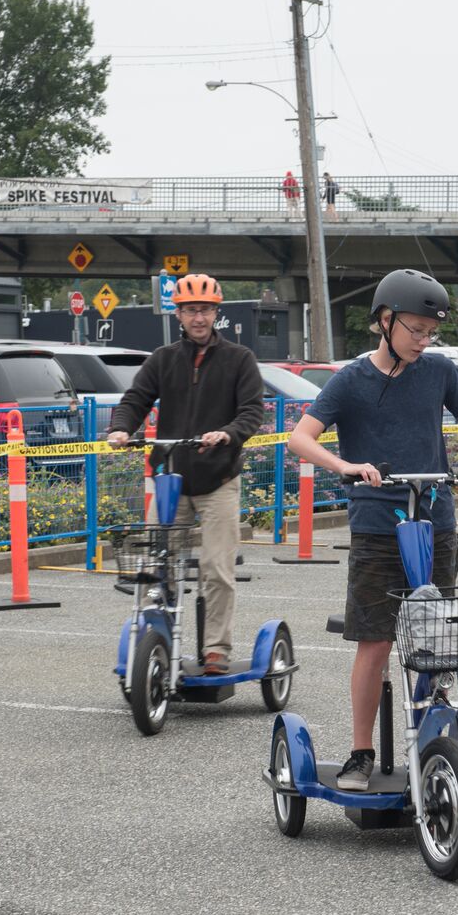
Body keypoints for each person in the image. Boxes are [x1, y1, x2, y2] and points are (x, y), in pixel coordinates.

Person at [287, 267, 458, 790]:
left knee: (436, 638)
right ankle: (361, 752)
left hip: (435, 523)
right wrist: (346, 466)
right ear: (385, 320)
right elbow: (300, 438)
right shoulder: (351, 380)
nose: (424, 341)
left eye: (431, 332)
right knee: (375, 642)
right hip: (378, 527)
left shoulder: (441, 372)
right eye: (416, 330)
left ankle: (434, 744)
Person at [106, 273, 264, 675]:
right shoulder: (163, 359)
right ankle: (159, 641)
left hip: (218, 479)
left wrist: (227, 434)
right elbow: (136, 399)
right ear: (178, 314)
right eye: (191, 310)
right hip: (171, 479)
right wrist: (121, 428)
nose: (199, 318)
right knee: (156, 565)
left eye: (205, 310)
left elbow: (251, 412)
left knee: (216, 568)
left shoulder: (239, 359)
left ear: (216, 313)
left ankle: (216, 650)